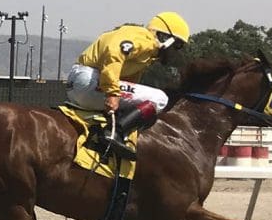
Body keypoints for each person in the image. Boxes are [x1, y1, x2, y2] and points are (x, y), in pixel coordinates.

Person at [65, 12, 190, 157]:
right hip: (90, 80)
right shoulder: (145, 40)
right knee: (160, 98)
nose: (176, 52)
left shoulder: (147, 52)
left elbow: (129, 82)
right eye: (178, 45)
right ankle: (115, 133)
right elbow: (113, 55)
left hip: (81, 82)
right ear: (165, 37)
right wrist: (113, 93)